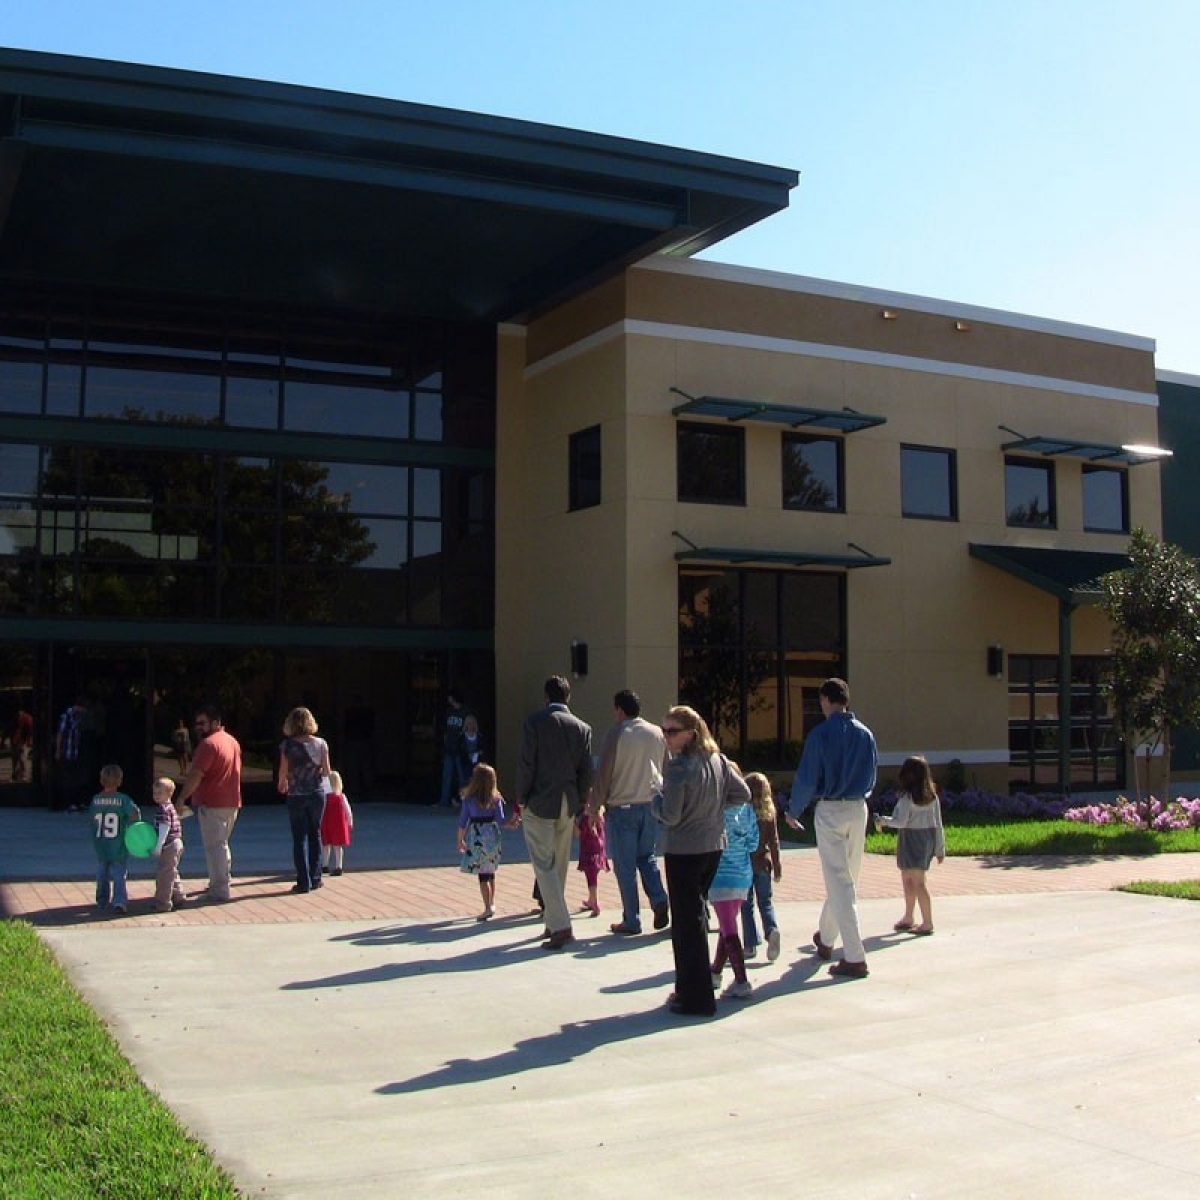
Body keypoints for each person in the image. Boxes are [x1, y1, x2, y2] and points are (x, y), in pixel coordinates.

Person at [652, 705, 750, 1016]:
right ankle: (688, 989)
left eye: (672, 731)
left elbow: (670, 814)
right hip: (712, 845)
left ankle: (696, 997)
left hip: (684, 849)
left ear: (691, 734)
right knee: (695, 918)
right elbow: (743, 793)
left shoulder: (679, 767)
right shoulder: (718, 760)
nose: (666, 737)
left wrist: (655, 797)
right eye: (664, 730)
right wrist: (712, 809)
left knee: (687, 925)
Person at [785, 677, 878, 980]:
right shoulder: (866, 734)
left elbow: (808, 777)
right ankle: (826, 939)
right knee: (848, 878)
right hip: (857, 807)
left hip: (830, 809)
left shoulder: (820, 735)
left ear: (826, 700)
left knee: (840, 881)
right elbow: (873, 775)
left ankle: (854, 956)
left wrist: (793, 810)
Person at [513, 675, 594, 951]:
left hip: (539, 799)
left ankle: (560, 925)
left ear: (546, 697)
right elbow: (586, 771)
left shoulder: (534, 723)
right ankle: (553, 920)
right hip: (568, 801)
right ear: (568, 697)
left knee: (543, 863)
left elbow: (526, 763)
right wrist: (582, 802)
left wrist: (520, 798)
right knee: (559, 862)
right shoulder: (582, 728)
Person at [588, 689, 670, 937]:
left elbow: (604, 773)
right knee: (647, 857)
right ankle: (658, 898)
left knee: (625, 866)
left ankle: (632, 918)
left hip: (622, 806)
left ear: (620, 710)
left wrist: (594, 807)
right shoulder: (658, 733)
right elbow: (666, 768)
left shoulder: (617, 733)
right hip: (651, 804)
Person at [175, 703, 243, 904]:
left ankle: (220, 889)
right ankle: (221, 882)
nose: (198, 727)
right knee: (221, 845)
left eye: (202, 723)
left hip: (213, 803)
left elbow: (196, 774)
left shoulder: (208, 745)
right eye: (197, 723)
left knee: (215, 847)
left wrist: (181, 798)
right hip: (231, 802)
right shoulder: (231, 741)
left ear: (216, 722)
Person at [875, 755, 945, 935]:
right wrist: (940, 848)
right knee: (910, 878)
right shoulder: (932, 797)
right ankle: (908, 917)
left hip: (911, 839)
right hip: (926, 839)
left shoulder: (907, 798)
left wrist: (883, 821)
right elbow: (938, 823)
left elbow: (901, 821)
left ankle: (927, 922)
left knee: (916, 881)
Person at [708, 771, 759, 1000]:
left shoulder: (714, 812)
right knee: (727, 925)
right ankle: (715, 972)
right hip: (742, 876)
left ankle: (741, 980)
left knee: (728, 928)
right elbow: (753, 843)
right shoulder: (747, 811)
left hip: (719, 876)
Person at [277, 706, 331, 894]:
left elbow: (283, 772)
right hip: (316, 793)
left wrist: (283, 783)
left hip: (296, 794)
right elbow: (326, 771)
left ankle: (303, 881)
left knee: (299, 839)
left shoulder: (287, 746)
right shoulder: (321, 744)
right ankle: (316, 877)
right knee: (315, 834)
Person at [456, 762, 510, 921]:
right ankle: (492, 903)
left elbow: (462, 822)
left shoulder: (469, 799)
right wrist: (511, 822)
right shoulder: (496, 799)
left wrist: (460, 840)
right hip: (492, 835)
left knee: (482, 874)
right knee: (490, 870)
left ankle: (487, 907)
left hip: (476, 835)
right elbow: (501, 820)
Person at [740, 771, 784, 962]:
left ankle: (749, 945)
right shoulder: (769, 814)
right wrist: (777, 865)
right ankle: (771, 930)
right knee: (765, 902)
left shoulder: (742, 813)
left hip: (745, 865)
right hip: (763, 865)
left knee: (746, 904)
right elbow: (774, 841)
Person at [88, 763, 140, 915]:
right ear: (119, 781)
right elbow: (134, 815)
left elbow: (91, 821)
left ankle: (102, 900)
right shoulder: (123, 800)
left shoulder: (95, 800)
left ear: (101, 781)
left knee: (101, 873)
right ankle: (119, 901)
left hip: (101, 843)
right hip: (118, 844)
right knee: (119, 874)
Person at [150, 775, 190, 913]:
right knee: (172, 870)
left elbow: (164, 828)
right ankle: (179, 896)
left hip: (168, 844)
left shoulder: (163, 809)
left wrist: (158, 846)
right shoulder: (170, 807)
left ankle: (163, 903)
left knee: (164, 875)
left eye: (160, 793)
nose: (156, 796)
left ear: (169, 794)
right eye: (155, 792)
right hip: (177, 842)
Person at [574, 808, 608, 917]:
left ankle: (595, 902)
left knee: (591, 877)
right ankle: (591, 899)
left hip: (589, 850)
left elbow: (579, 835)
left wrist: (572, 824)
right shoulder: (600, 815)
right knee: (593, 876)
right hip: (599, 849)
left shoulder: (586, 819)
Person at [439, 690, 470, 807]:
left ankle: (464, 801)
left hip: (460, 749)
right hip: (449, 748)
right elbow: (445, 731)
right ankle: (444, 800)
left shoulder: (465, 712)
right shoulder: (449, 712)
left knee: (462, 777)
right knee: (447, 776)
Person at [320, 769, 354, 876]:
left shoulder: (325, 798)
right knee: (337, 846)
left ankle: (324, 865)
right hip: (339, 825)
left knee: (326, 845)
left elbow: (322, 811)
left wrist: (318, 821)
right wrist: (350, 821)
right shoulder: (341, 797)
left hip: (327, 824)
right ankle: (339, 866)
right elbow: (348, 811)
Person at [10, 708, 32, 782]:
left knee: (21, 758)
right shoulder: (15, 719)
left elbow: (29, 731)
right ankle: (16, 774)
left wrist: (28, 741)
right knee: (16, 758)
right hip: (16, 740)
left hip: (22, 740)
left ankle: (23, 775)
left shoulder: (27, 719)